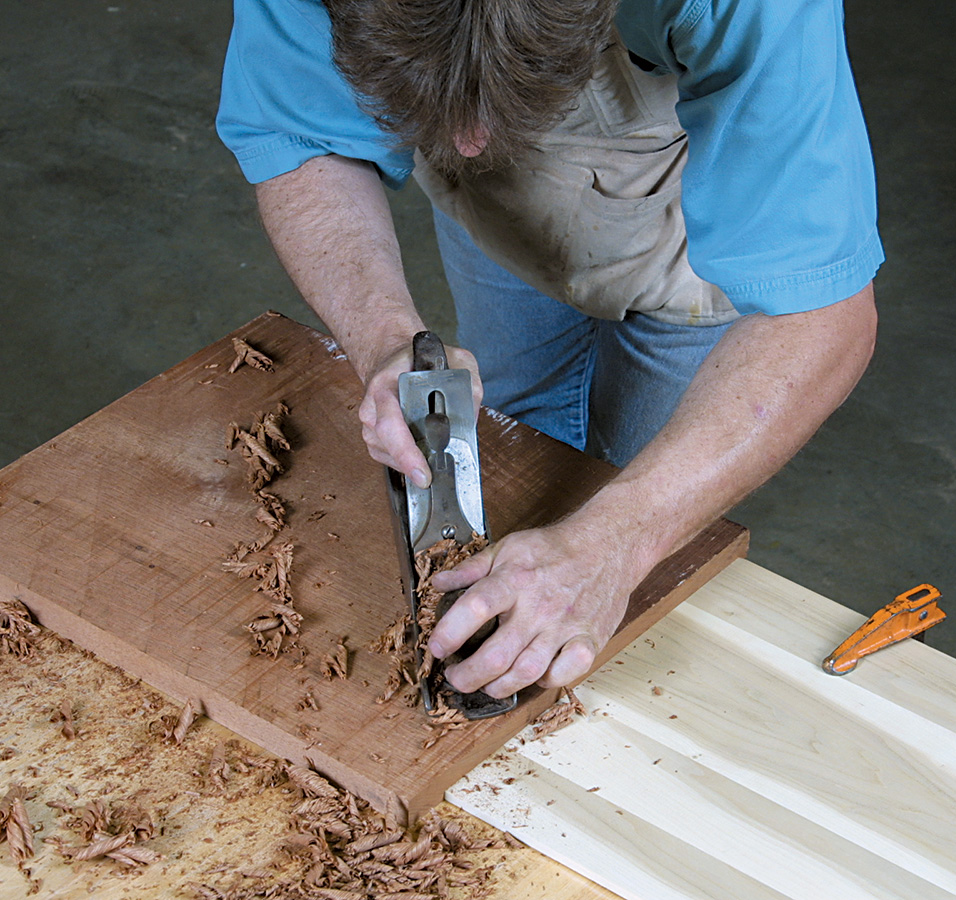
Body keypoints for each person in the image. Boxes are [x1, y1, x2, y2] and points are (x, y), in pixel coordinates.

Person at [216, 0, 882, 702]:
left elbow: (822, 314)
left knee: (631, 514)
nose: (471, 144)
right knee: (514, 457)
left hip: (686, 231)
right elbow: (299, 132)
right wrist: (385, 337)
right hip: (495, 223)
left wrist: (618, 541)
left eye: (501, 103)